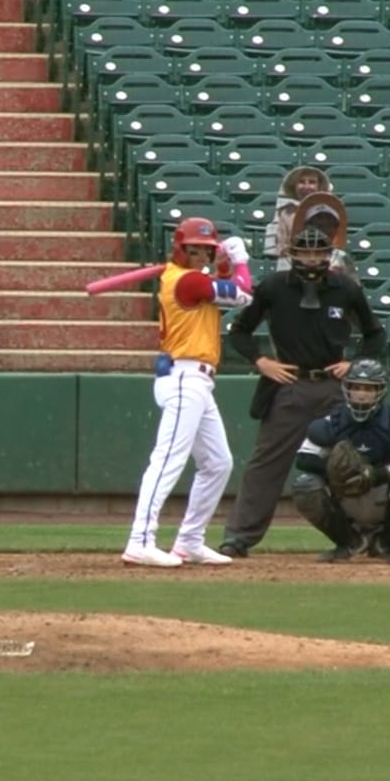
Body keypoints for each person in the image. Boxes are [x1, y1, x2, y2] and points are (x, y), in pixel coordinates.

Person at [219, 194, 387, 560]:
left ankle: (363, 535)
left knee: (350, 464)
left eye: (317, 254)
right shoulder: (275, 287)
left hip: (333, 386)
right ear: (293, 254)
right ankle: (239, 536)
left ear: (328, 256)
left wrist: (354, 364)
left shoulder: (345, 288)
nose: (311, 261)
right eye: (305, 254)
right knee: (266, 464)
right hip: (289, 386)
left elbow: (376, 334)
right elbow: (239, 330)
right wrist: (261, 361)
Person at [122, 217, 253, 567]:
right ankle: (140, 540)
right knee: (167, 459)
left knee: (217, 463)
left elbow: (221, 285)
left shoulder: (192, 278)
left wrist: (224, 263)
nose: (201, 255)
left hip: (197, 380)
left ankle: (190, 540)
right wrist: (239, 263)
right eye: (194, 249)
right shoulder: (187, 280)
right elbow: (243, 293)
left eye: (206, 250)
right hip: (184, 377)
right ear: (181, 248)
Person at [292, 359, 390, 564]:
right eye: (356, 387)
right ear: (346, 389)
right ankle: (348, 542)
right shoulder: (334, 421)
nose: (361, 393)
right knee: (305, 484)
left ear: (380, 391)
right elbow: (304, 459)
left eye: (369, 388)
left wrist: (376, 475)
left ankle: (387, 544)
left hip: (382, 495)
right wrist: (340, 473)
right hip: (345, 495)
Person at [262, 165, 329, 272]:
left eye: (312, 182)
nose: (306, 186)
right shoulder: (286, 212)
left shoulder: (329, 210)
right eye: (302, 182)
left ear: (319, 186)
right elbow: (282, 247)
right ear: (294, 185)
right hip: (291, 265)